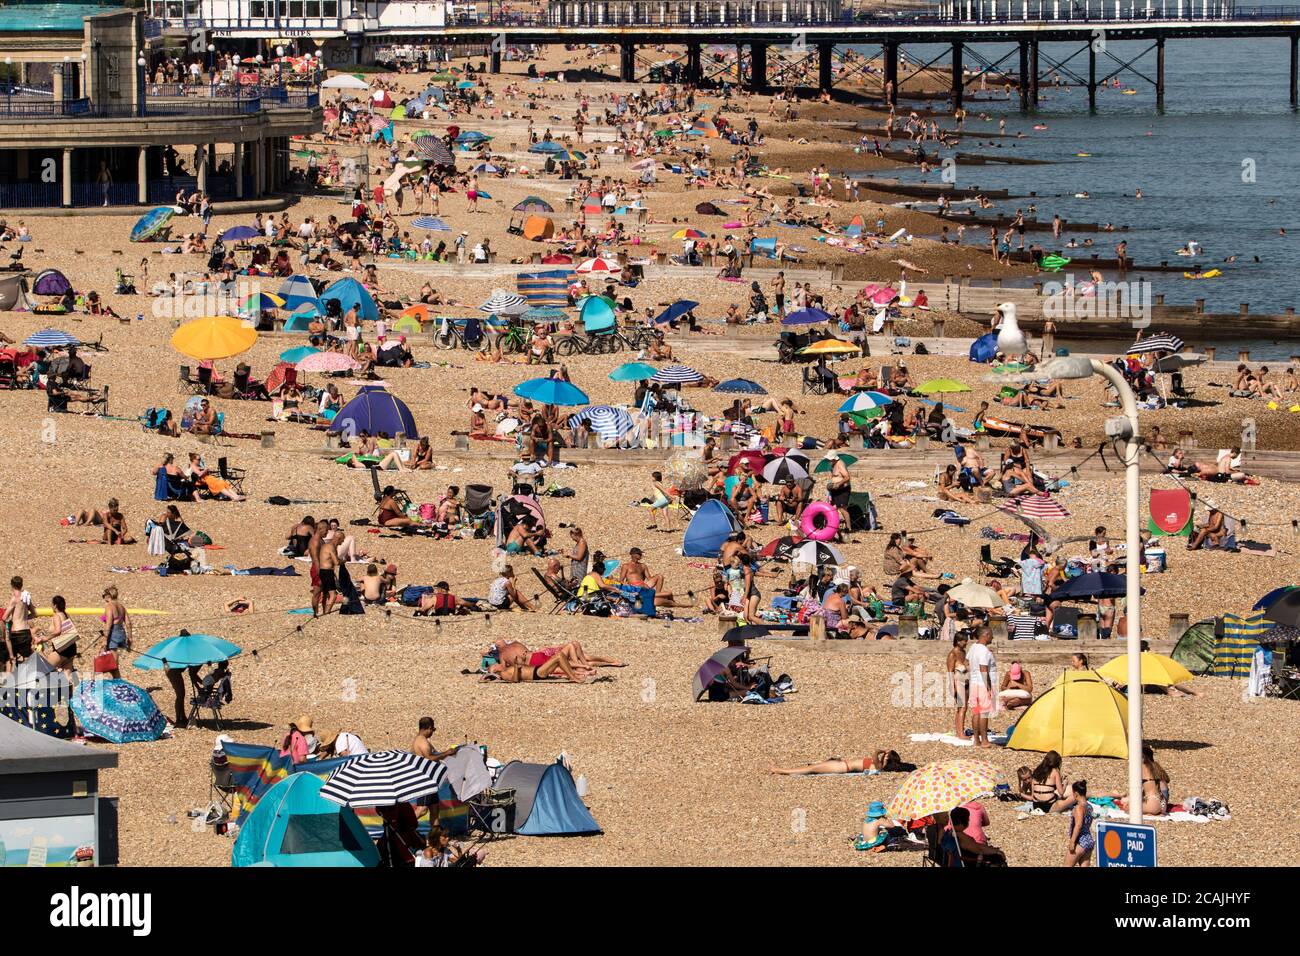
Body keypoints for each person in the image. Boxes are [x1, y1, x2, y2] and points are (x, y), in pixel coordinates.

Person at [769, 748, 906, 776]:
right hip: (842, 765)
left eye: (886, 757)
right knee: (811, 768)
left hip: (841, 767)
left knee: (809, 769)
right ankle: (781, 770)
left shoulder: (879, 766)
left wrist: (882, 751)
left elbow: (874, 753)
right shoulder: (880, 765)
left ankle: (780, 770)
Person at [966, 626, 996, 747]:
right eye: (991, 634)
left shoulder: (973, 647)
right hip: (982, 684)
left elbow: (966, 662)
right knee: (984, 713)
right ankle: (984, 740)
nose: (992, 637)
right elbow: (983, 668)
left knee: (976, 712)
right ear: (986, 635)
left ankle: (976, 740)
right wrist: (988, 686)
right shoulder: (984, 650)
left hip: (974, 683)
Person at [1065, 781, 1095, 867]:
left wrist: (1072, 842)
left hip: (1080, 841)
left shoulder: (1079, 807)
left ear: (1076, 794)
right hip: (1089, 840)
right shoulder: (1089, 807)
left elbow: (1078, 825)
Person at [947, 633, 969, 739]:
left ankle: (959, 731)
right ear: (958, 641)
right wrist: (953, 686)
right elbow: (950, 671)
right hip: (958, 681)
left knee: (962, 707)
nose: (966, 643)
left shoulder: (963, 652)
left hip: (965, 680)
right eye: (964, 640)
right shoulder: (952, 654)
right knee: (962, 707)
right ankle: (960, 733)